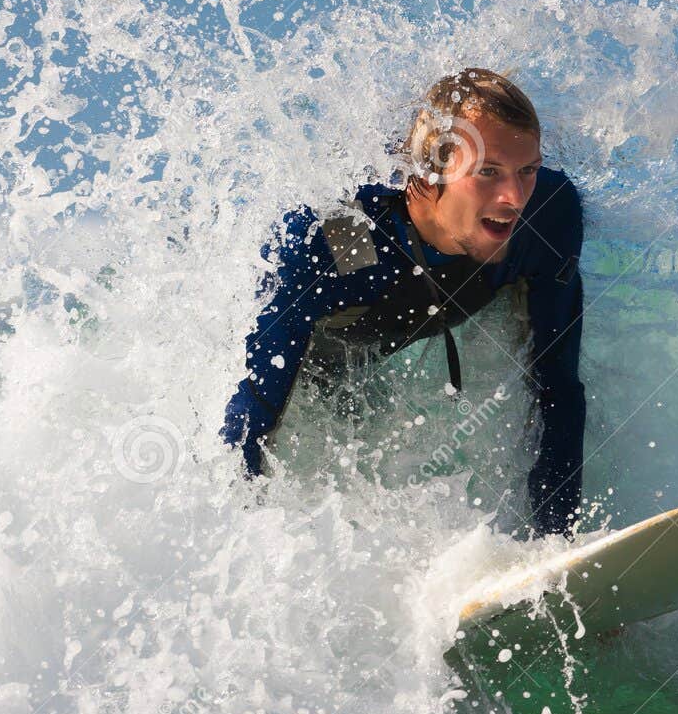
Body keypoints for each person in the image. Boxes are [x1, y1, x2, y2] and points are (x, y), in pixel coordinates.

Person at [221, 68, 587, 536]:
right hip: (330, 340)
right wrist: (233, 542)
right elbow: (253, 405)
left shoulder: (547, 215)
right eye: (488, 172)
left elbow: (558, 390)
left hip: (430, 305)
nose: (514, 196)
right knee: (332, 416)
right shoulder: (341, 235)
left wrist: (557, 544)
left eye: (527, 170)